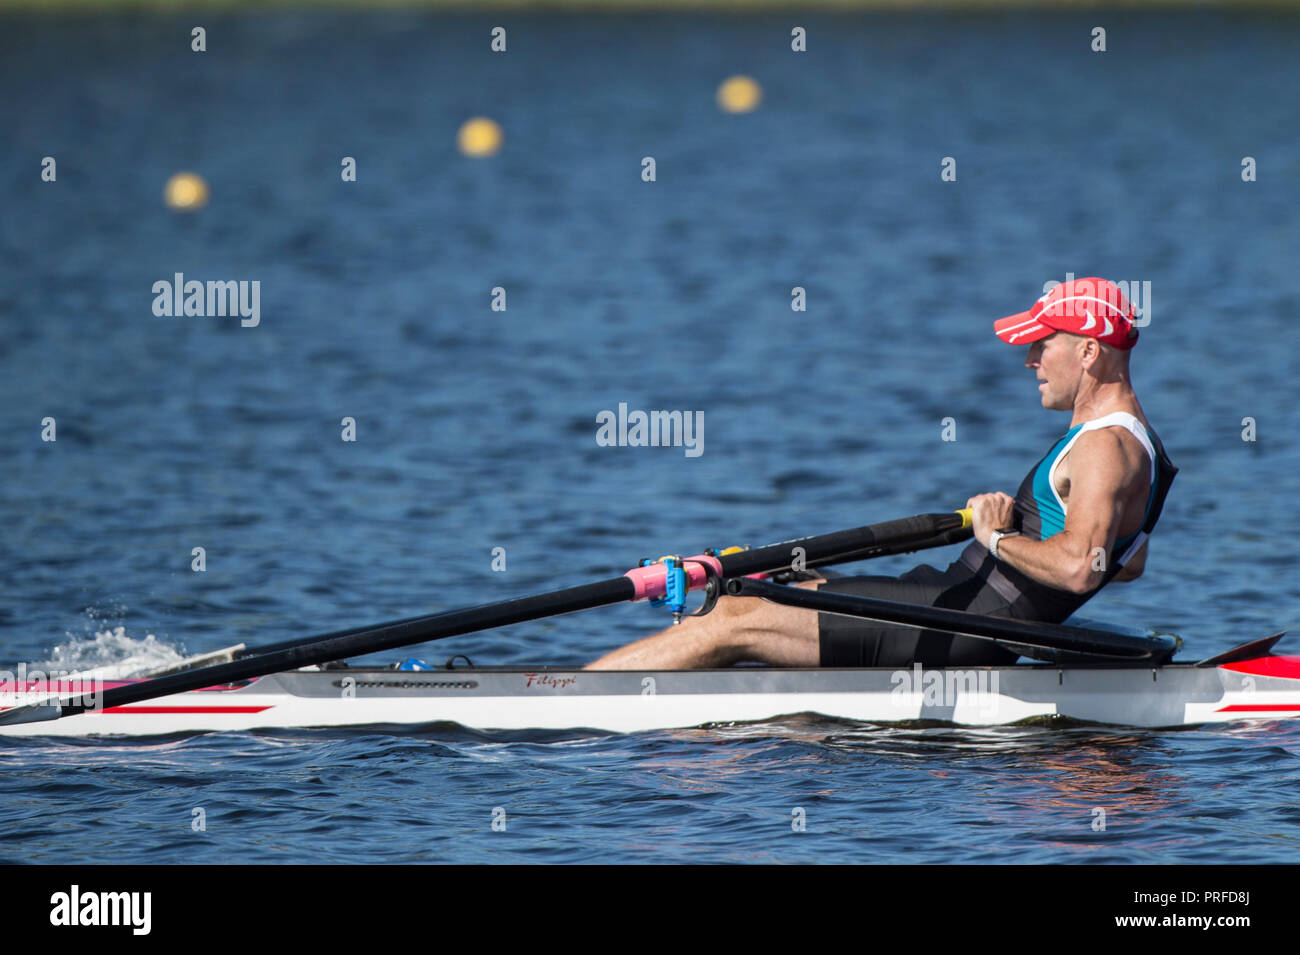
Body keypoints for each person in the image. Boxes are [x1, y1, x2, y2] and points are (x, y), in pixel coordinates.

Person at [585, 277, 1177, 670]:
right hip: (956, 603)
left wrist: (999, 537)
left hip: (966, 626)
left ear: (1089, 352)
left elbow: (1081, 569)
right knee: (772, 588)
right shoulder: (1138, 445)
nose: (1028, 360)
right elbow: (1127, 564)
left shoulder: (1106, 448)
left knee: (737, 612)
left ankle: (556, 702)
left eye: (1040, 345)